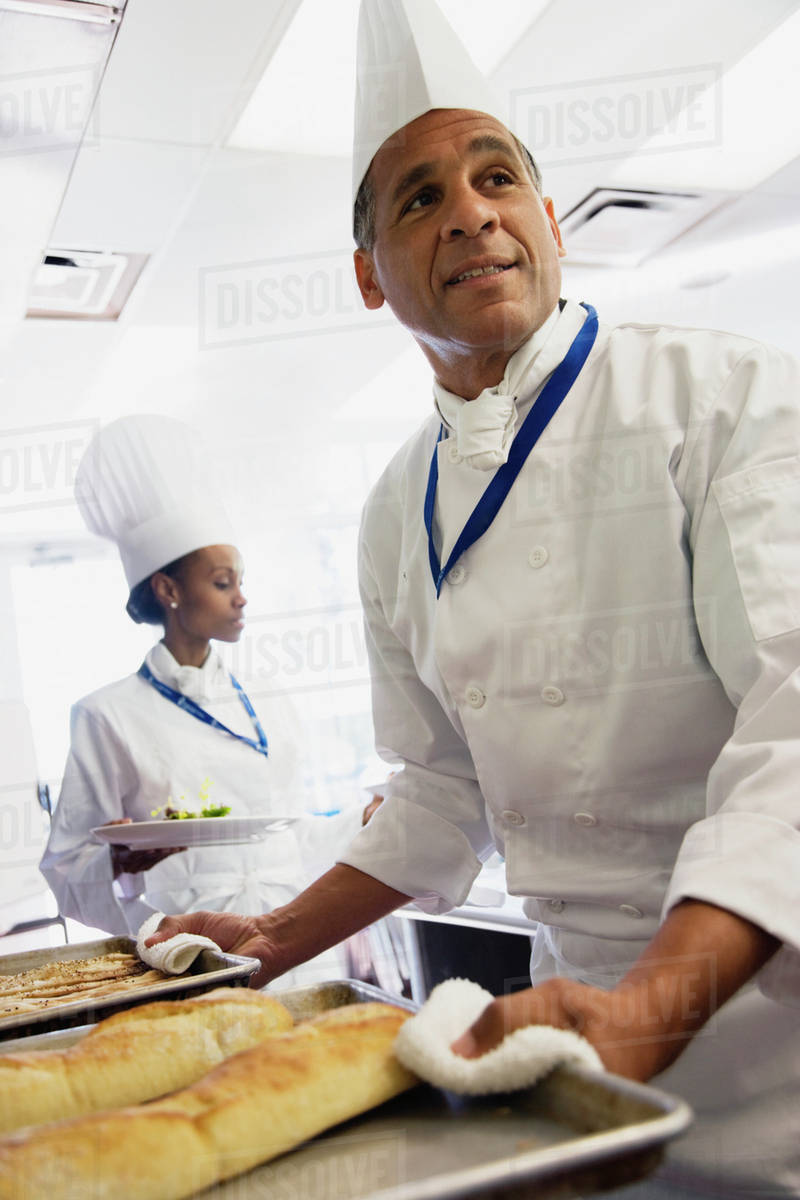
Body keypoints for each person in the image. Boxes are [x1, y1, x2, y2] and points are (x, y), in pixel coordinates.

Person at [148, 2, 800, 1194]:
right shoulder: (395, 512)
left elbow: (792, 732)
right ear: (365, 276)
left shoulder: (720, 399)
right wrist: (275, 937)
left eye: (495, 175)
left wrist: (658, 1003)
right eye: (417, 197)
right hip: (576, 1051)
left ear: (548, 220)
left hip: (773, 1039)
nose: (468, 211)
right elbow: (441, 788)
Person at [41, 416, 365, 959]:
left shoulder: (270, 701)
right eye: (221, 582)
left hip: (292, 945)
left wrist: (361, 821)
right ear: (168, 588)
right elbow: (67, 871)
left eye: (241, 581)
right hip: (192, 956)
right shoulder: (106, 716)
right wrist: (119, 863)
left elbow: (290, 843)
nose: (241, 598)